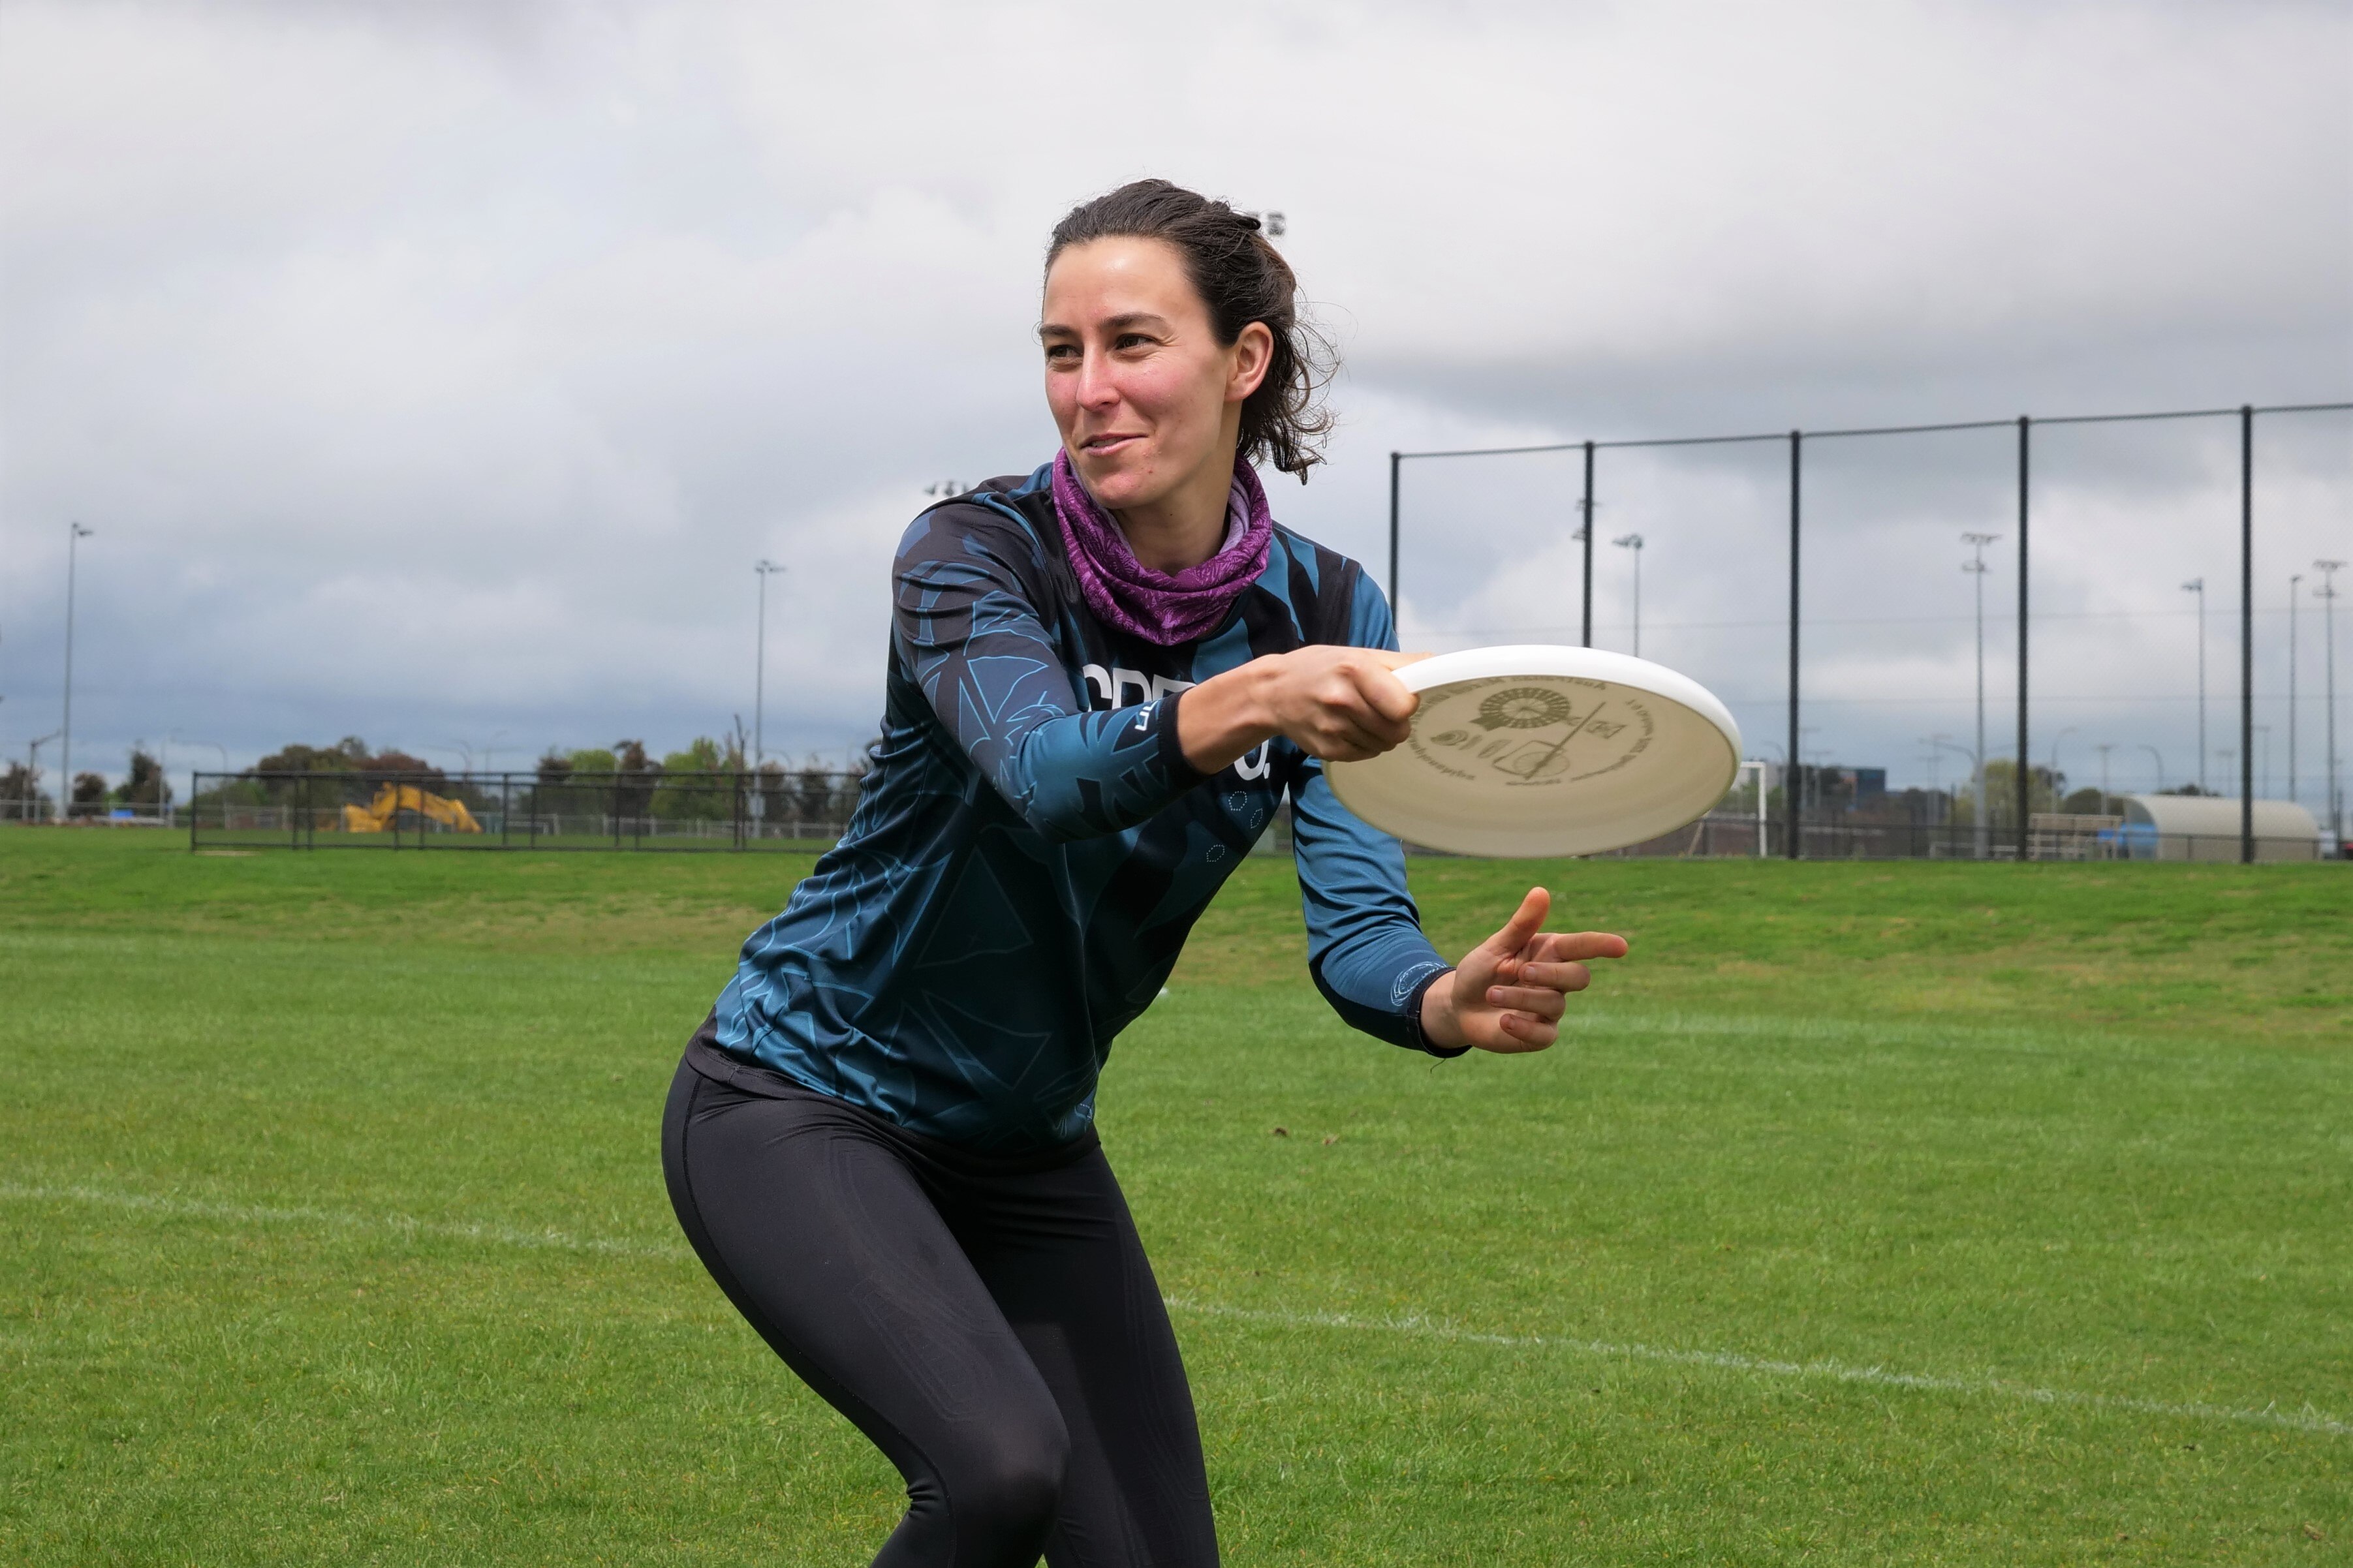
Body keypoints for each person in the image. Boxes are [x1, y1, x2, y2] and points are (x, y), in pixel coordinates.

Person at [662, 177, 1629, 1568]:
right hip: (801, 1096)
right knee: (996, 1469)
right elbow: (1046, 772)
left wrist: (1435, 998)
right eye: (1062, 352)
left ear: (1244, 361)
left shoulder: (1327, 607)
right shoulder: (972, 551)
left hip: (1027, 1144)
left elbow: (1358, 921)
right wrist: (1256, 697)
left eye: (1131, 343)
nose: (1089, 390)